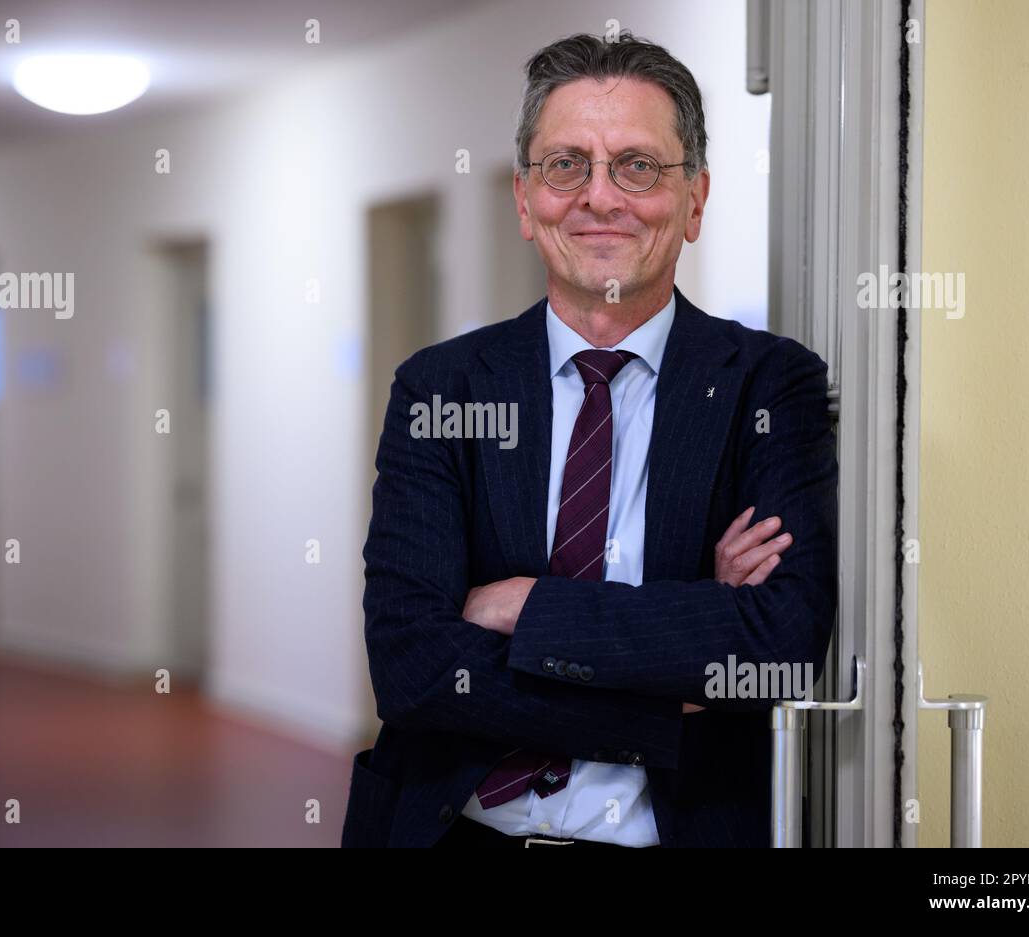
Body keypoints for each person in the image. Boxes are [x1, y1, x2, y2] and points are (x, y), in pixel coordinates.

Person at [341, 32, 837, 848]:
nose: (599, 197)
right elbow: (414, 666)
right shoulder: (442, 389)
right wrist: (672, 663)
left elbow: (777, 646)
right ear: (526, 200)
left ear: (697, 200)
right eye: (566, 164)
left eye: (638, 166)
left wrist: (527, 605)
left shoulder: (769, 386)